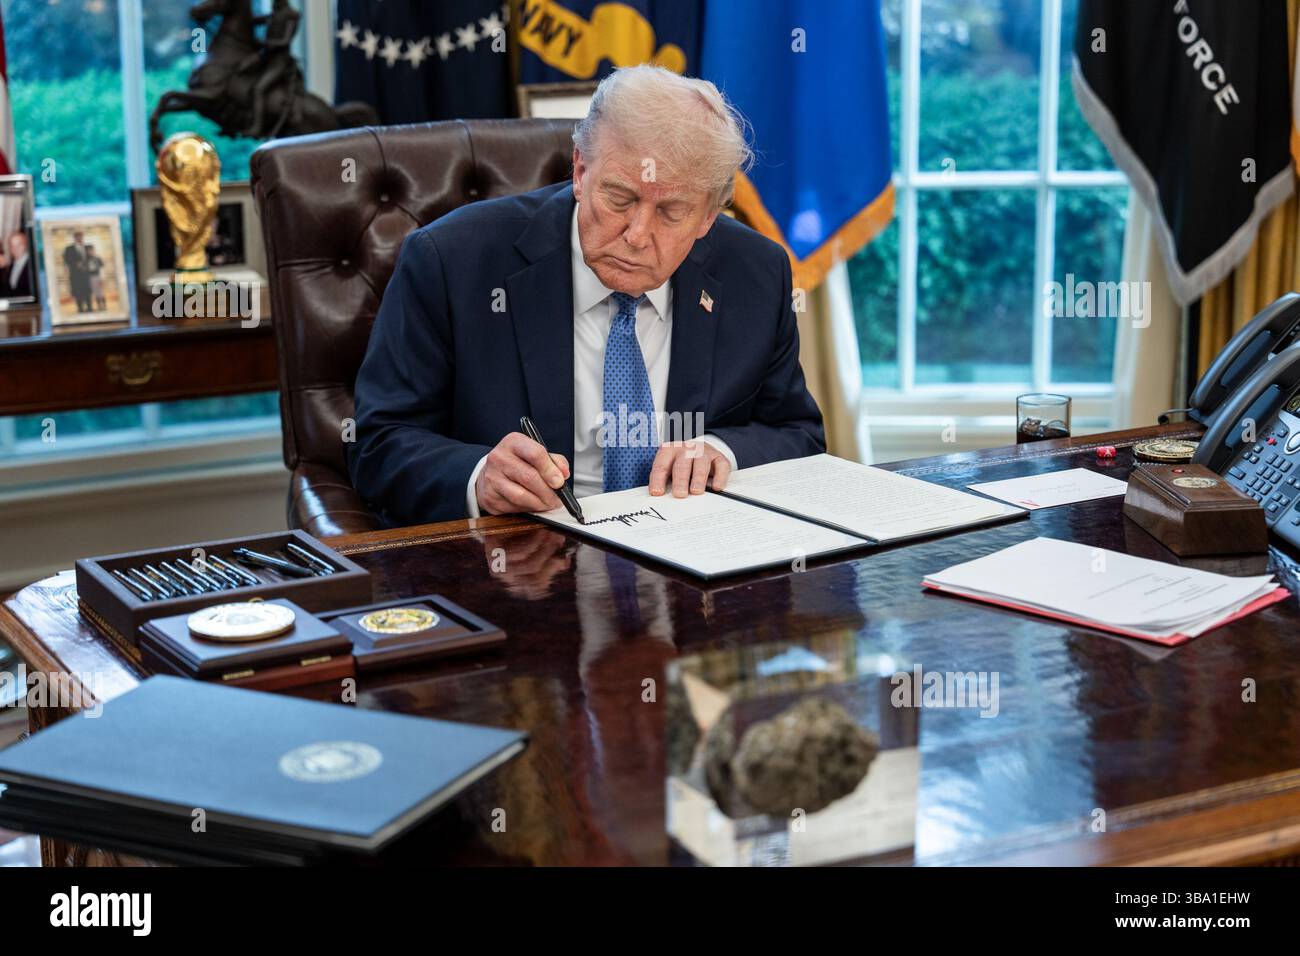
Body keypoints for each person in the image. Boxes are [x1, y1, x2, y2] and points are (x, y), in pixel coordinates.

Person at [348, 65, 825, 527]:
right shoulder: (452, 261)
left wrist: (723, 452)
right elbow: (378, 443)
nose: (637, 235)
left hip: (693, 560)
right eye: (620, 199)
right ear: (580, 170)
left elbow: (798, 434)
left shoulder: (757, 273)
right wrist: (478, 476)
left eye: (672, 212)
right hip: (523, 564)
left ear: (708, 217)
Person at [62, 231, 93, 312]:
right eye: (78, 237)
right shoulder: (69, 248)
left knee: (87, 290)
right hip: (75, 274)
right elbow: (66, 260)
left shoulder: (87, 247)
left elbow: (92, 258)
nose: (80, 238)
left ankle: (89, 307)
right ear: (74, 238)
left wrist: (87, 263)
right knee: (78, 291)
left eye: (81, 237)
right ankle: (80, 308)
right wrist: (75, 264)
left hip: (86, 274)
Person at [0, 231, 33, 299]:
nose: (15, 248)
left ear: (25, 245)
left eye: (19, 245)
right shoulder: (11, 265)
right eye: (12, 246)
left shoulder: (32, 266)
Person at [85, 244, 106, 311]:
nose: (90, 252)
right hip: (91, 277)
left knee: (101, 292)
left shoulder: (97, 258)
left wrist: (102, 278)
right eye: (88, 251)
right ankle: (99, 306)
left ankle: (104, 306)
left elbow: (102, 268)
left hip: (98, 276)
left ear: (93, 250)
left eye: (91, 250)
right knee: (95, 292)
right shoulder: (86, 259)